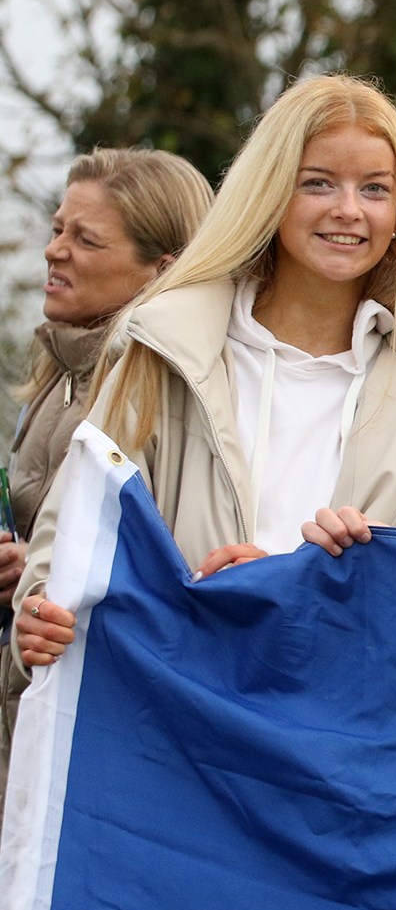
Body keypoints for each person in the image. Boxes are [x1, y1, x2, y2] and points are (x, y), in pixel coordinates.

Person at [15, 75, 396, 666]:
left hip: (337, 734)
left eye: (375, 189)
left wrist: (294, 591)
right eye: (318, 183)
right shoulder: (166, 344)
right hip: (176, 719)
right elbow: (68, 544)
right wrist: (41, 614)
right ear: (271, 192)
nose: (348, 210)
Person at [0, 147, 211, 814]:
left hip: (92, 756)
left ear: (162, 270)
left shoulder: (164, 396)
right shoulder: (58, 373)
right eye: (58, 228)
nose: (53, 251)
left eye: (84, 239)